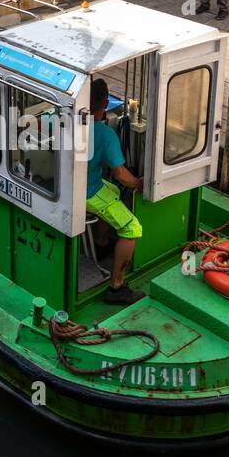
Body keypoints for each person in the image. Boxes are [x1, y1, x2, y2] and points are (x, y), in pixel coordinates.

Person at [84, 78, 144, 305]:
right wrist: (138, 184)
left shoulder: (63, 121)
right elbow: (120, 174)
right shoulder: (105, 135)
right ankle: (117, 286)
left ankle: (101, 243)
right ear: (106, 103)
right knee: (132, 228)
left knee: (113, 191)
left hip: (71, 186)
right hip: (88, 192)